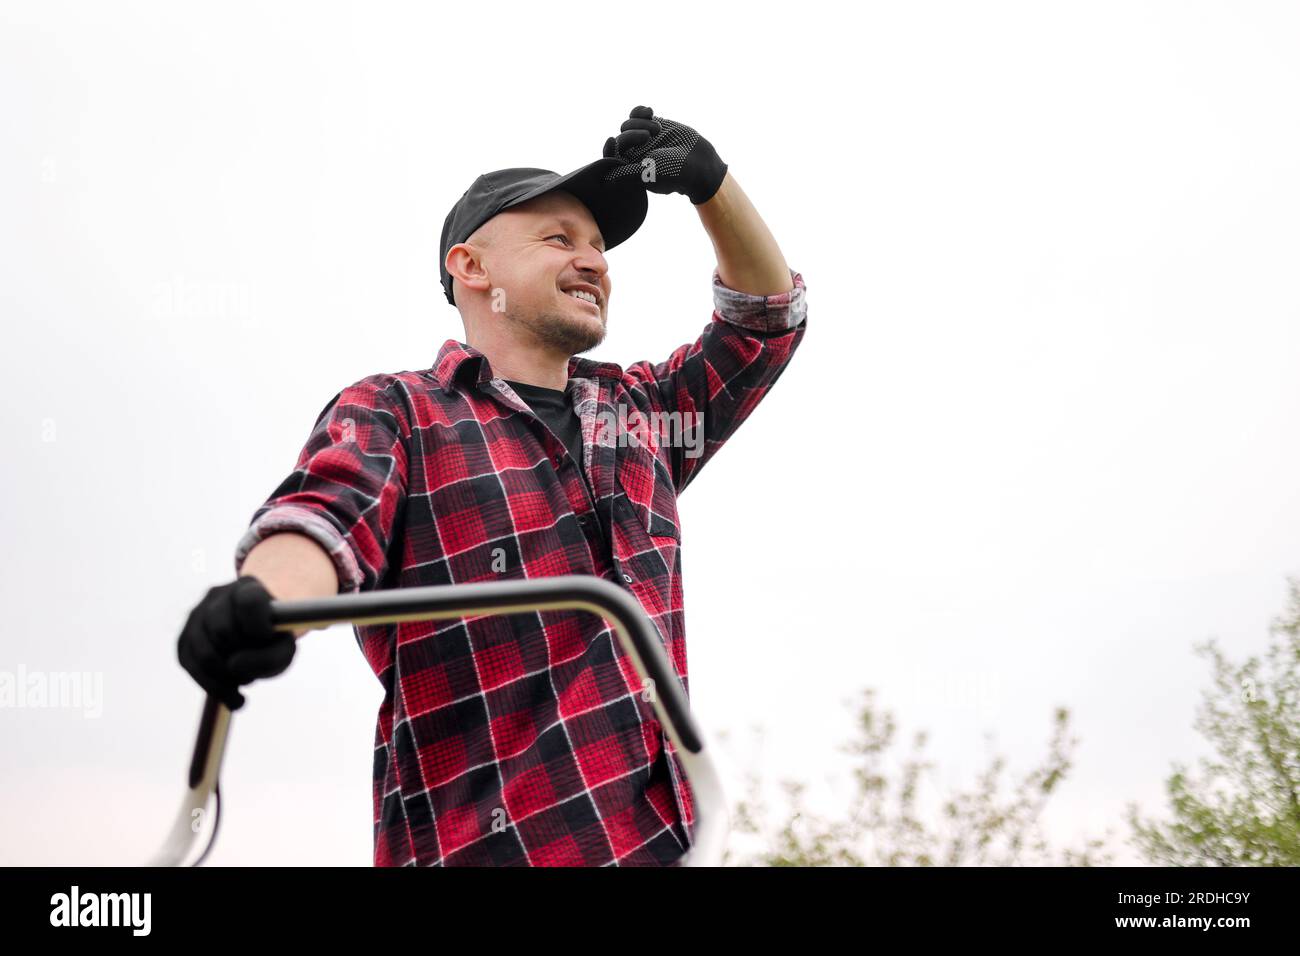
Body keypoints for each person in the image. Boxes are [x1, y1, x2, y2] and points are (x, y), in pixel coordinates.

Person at [176, 106, 808, 866]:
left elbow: (764, 325)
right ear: (472, 268)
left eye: (600, 247)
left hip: (670, 845)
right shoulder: (399, 410)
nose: (595, 262)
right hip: (479, 846)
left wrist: (714, 185)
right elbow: (322, 519)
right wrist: (263, 605)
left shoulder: (641, 416)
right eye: (559, 240)